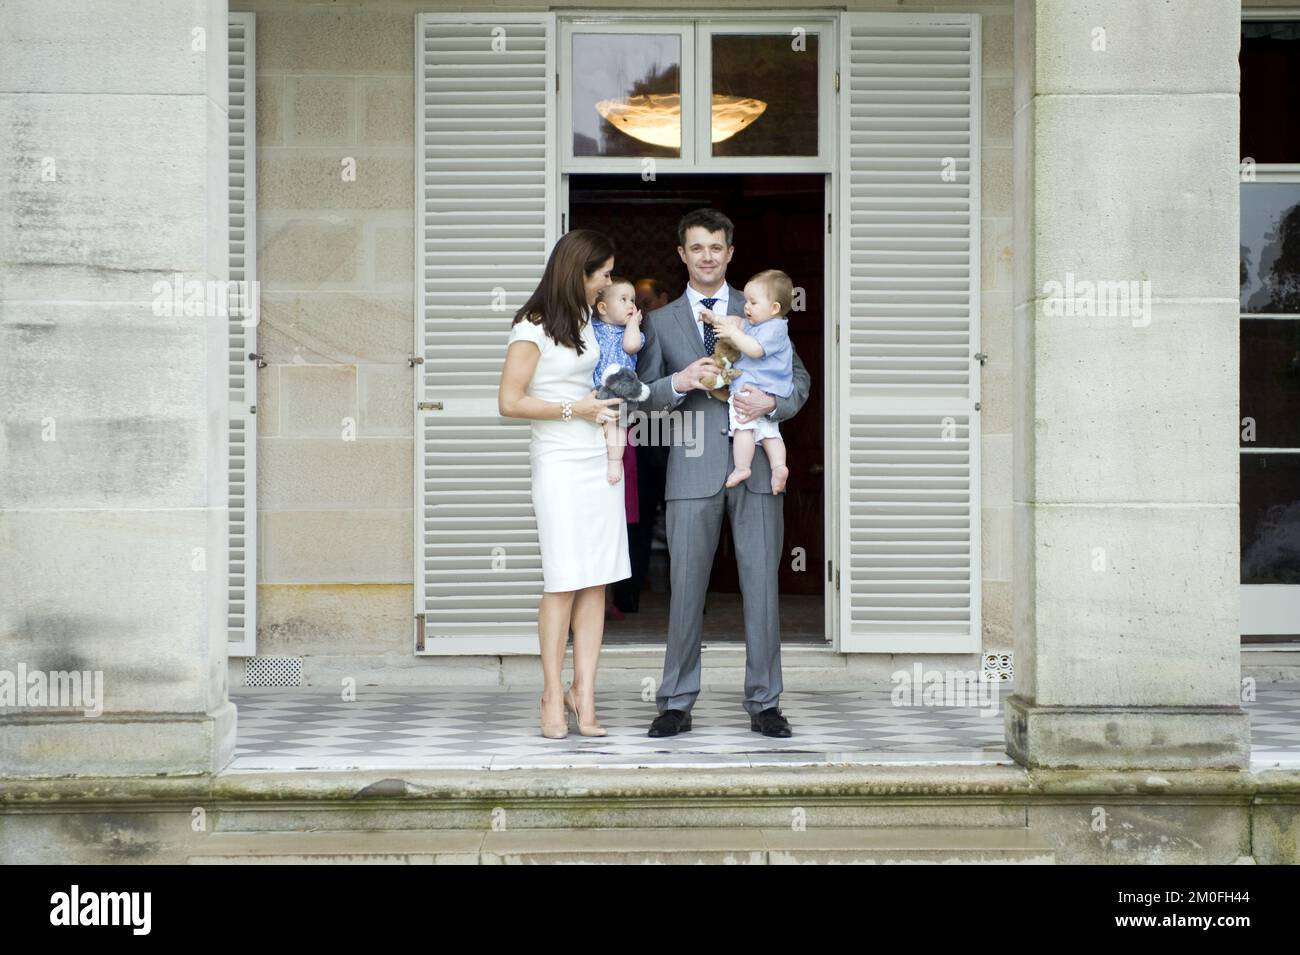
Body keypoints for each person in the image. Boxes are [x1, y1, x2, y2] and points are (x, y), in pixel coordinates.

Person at [635, 209, 810, 739]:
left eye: (716, 247)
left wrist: (771, 404)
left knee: (761, 586)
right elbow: (640, 402)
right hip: (690, 471)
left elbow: (798, 380)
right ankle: (675, 701)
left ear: (730, 253)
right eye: (697, 247)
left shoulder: (759, 307)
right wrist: (680, 380)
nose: (707, 256)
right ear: (682, 254)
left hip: (755, 464)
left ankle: (765, 702)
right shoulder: (660, 322)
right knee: (685, 588)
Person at [498, 229, 627, 739]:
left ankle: (584, 693)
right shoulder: (531, 327)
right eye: (604, 274)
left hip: (598, 458)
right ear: (578, 272)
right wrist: (577, 408)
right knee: (563, 579)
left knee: (596, 577)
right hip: (557, 459)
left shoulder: (589, 322)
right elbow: (510, 400)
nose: (608, 283)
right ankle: (552, 691)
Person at [707, 269, 795, 494]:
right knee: (769, 433)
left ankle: (742, 467)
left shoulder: (775, 328)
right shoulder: (757, 324)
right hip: (768, 390)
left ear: (774, 308)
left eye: (753, 302)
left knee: (743, 428)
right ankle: (779, 467)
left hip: (751, 389)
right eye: (746, 301)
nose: (746, 307)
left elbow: (755, 350)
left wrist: (734, 335)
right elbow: (735, 322)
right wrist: (715, 319)